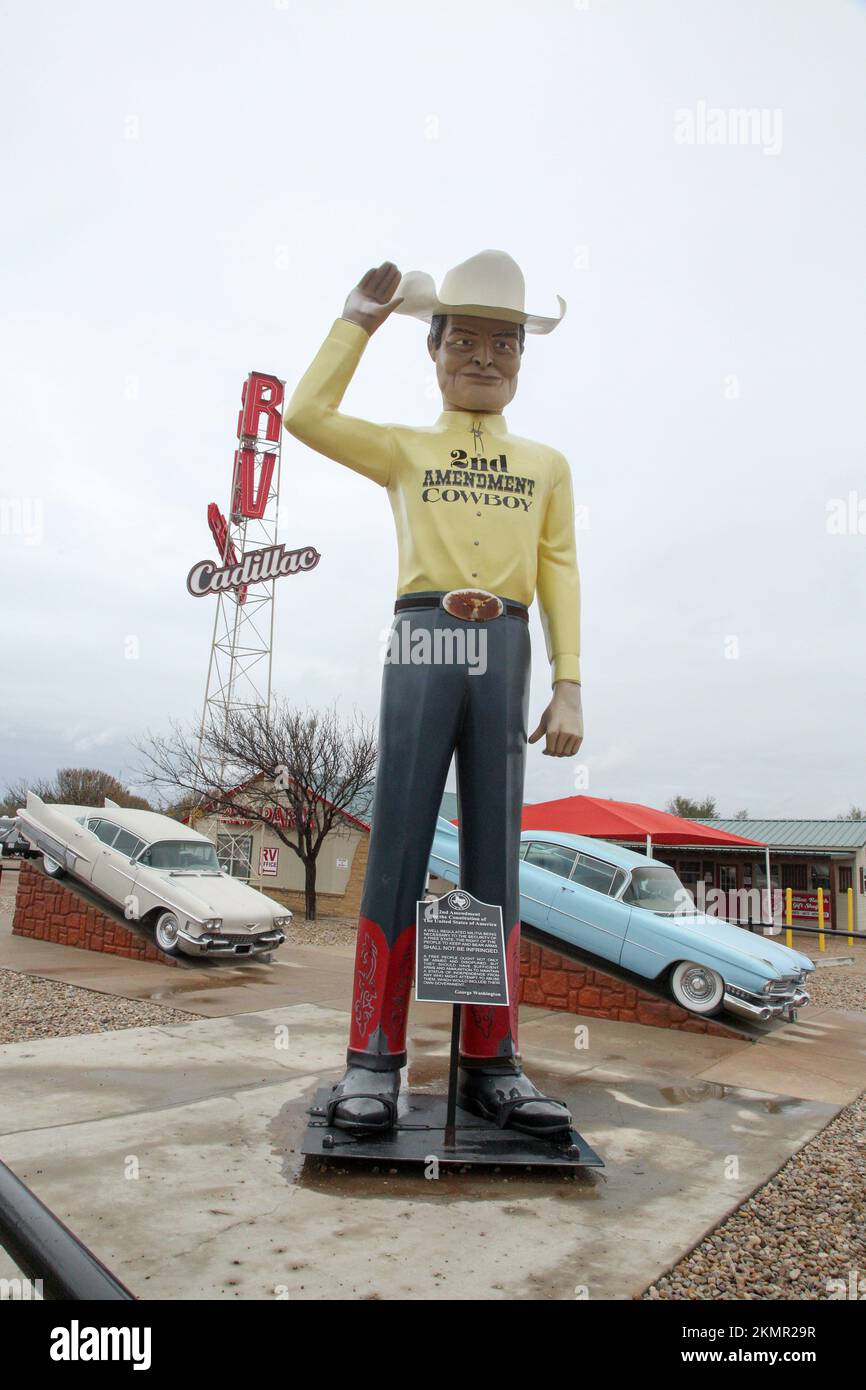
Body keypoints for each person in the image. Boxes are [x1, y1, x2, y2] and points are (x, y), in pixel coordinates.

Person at [283, 250, 583, 1135]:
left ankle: (492, 1061)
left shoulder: (547, 464)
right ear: (435, 349)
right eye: (465, 341)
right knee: (401, 837)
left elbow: (560, 565)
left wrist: (569, 683)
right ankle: (372, 1056)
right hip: (423, 631)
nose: (486, 359)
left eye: (506, 344)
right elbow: (306, 414)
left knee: (495, 850)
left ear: (524, 358)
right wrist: (355, 324)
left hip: (507, 635)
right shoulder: (406, 447)